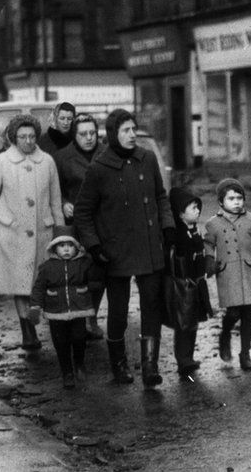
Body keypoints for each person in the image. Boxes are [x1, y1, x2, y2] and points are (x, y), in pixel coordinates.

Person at [73, 108, 174, 387]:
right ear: (113, 135)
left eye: (133, 129)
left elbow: (160, 197)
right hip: (115, 252)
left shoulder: (147, 158)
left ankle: (150, 366)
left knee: (151, 306)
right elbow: (82, 212)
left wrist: (167, 228)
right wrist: (94, 246)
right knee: (118, 311)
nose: (132, 135)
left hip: (149, 247)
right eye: (125, 130)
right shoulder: (99, 168)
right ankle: (119, 365)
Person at [0, 114, 65, 351]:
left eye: (32, 136)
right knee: (20, 283)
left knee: (41, 282)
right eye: (22, 137)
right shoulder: (2, 162)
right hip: (12, 233)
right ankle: (27, 331)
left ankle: (47, 325)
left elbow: (55, 201)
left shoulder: (47, 162)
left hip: (43, 232)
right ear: (13, 137)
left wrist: (61, 233)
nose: (28, 141)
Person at [204, 178, 251, 372]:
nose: (237, 202)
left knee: (247, 314)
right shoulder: (213, 224)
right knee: (233, 312)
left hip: (249, 273)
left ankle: (245, 354)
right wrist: (209, 261)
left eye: (240, 198)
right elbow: (208, 244)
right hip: (228, 275)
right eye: (231, 198)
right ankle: (225, 333)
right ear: (221, 202)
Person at [29, 229, 102, 388]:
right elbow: (39, 288)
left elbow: (94, 278)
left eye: (70, 245)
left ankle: (79, 363)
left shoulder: (84, 263)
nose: (66, 249)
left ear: (77, 247)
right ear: (54, 248)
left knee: (79, 338)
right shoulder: (47, 267)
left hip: (79, 309)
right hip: (56, 312)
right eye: (62, 245)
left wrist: (93, 283)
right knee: (61, 343)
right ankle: (67, 373)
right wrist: (36, 306)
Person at [54, 112, 105, 339]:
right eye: (83, 134)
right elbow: (56, 188)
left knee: (99, 272)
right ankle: (75, 317)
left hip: (103, 222)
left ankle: (91, 317)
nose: (89, 138)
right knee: (76, 272)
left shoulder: (107, 154)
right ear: (75, 136)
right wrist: (64, 202)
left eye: (92, 133)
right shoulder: (62, 157)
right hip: (75, 224)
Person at [167, 186, 212, 379]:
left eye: (197, 207)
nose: (197, 210)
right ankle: (183, 359)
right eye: (192, 208)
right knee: (183, 321)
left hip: (196, 284)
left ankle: (189, 357)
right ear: (180, 214)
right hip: (183, 285)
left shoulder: (194, 231)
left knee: (192, 321)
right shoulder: (178, 235)